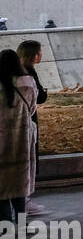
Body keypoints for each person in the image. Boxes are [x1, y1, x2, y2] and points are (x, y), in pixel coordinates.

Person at [0, 48, 38, 224]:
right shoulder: (28, 82)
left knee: (1, 184)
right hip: (21, 138)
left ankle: (5, 223)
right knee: (19, 182)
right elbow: (31, 109)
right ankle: (22, 222)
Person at [15, 40, 47, 217]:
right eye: (39, 52)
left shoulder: (13, 72)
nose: (41, 55)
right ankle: (24, 201)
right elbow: (39, 98)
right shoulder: (29, 74)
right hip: (26, 121)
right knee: (28, 157)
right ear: (33, 54)